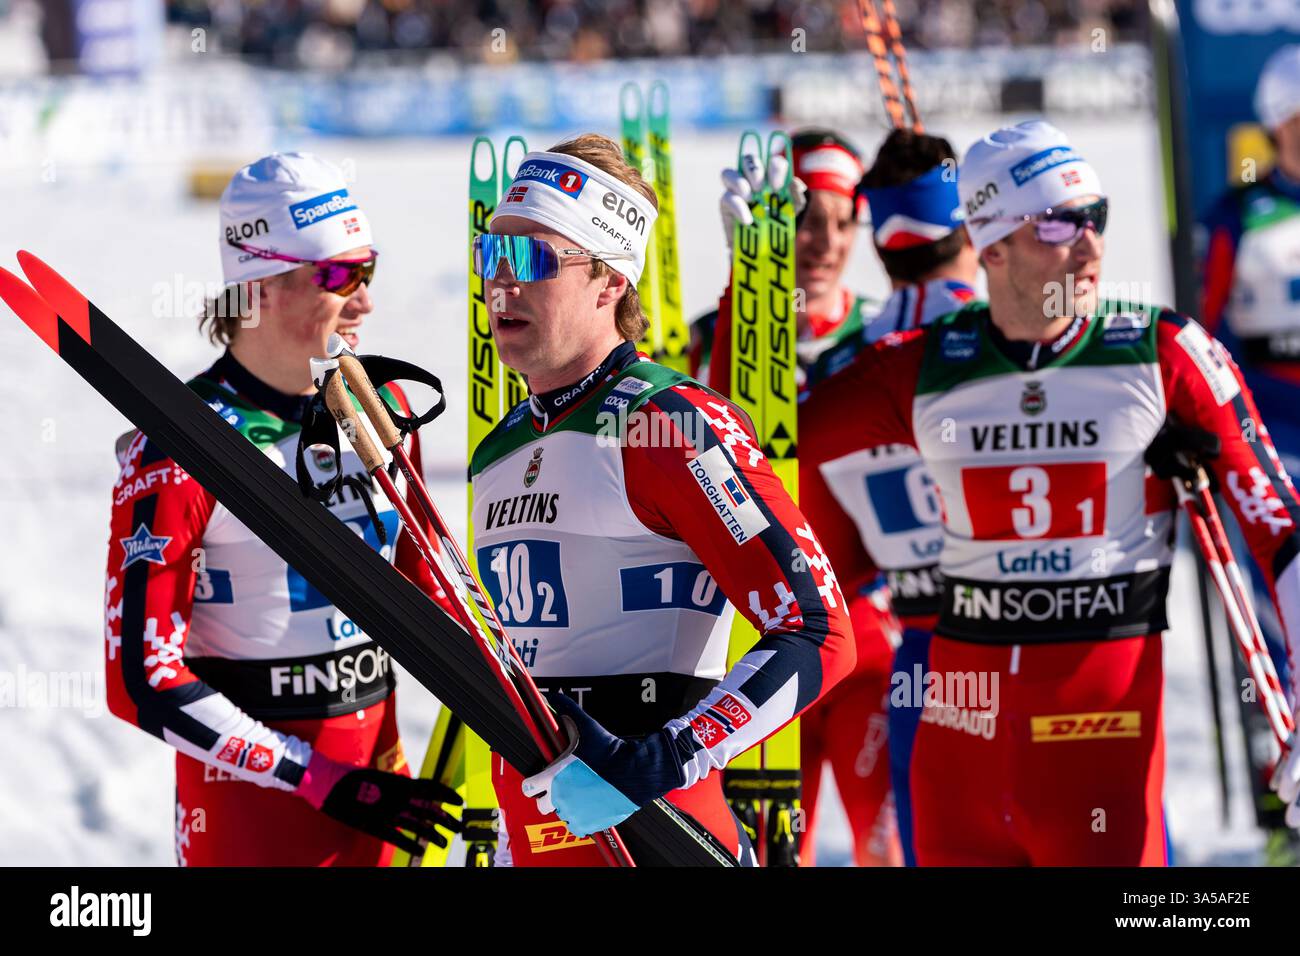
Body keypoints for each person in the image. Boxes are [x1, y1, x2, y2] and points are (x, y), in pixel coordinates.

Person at [800, 119, 1300, 865]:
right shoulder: (926, 364)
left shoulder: (1162, 354)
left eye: (1096, 217)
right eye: (1060, 224)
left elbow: (1280, 530)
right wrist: (759, 292)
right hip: (958, 754)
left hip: (1099, 752)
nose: (1091, 244)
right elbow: (756, 452)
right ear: (990, 244)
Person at [466, 134, 854, 866]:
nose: (500, 284)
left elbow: (819, 631)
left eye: (532, 259)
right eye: (492, 256)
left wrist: (661, 760)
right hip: (537, 838)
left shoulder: (667, 422)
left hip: (659, 834)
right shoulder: (498, 447)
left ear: (609, 279)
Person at [103, 152, 462, 866]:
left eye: (370, 270)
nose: (364, 299)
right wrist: (316, 778)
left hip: (386, 802)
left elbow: (435, 590)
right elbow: (141, 681)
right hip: (252, 821)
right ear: (260, 285)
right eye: (338, 276)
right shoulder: (179, 447)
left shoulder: (379, 409)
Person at [695, 129, 901, 866]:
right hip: (762, 640)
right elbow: (695, 454)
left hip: (871, 636)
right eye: (807, 218)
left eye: (844, 221)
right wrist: (744, 306)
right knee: (780, 855)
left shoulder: (886, 333)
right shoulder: (713, 336)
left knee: (891, 846)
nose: (825, 241)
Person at [801, 127, 980, 866]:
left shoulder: (849, 360)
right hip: (1024, 642)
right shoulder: (1006, 335)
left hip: (911, 647)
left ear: (878, 240)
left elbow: (822, 539)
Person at [1200, 44, 1300, 706]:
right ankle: (1282, 732)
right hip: (1273, 436)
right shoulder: (1239, 213)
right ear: (1277, 122)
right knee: (1283, 599)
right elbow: (1201, 333)